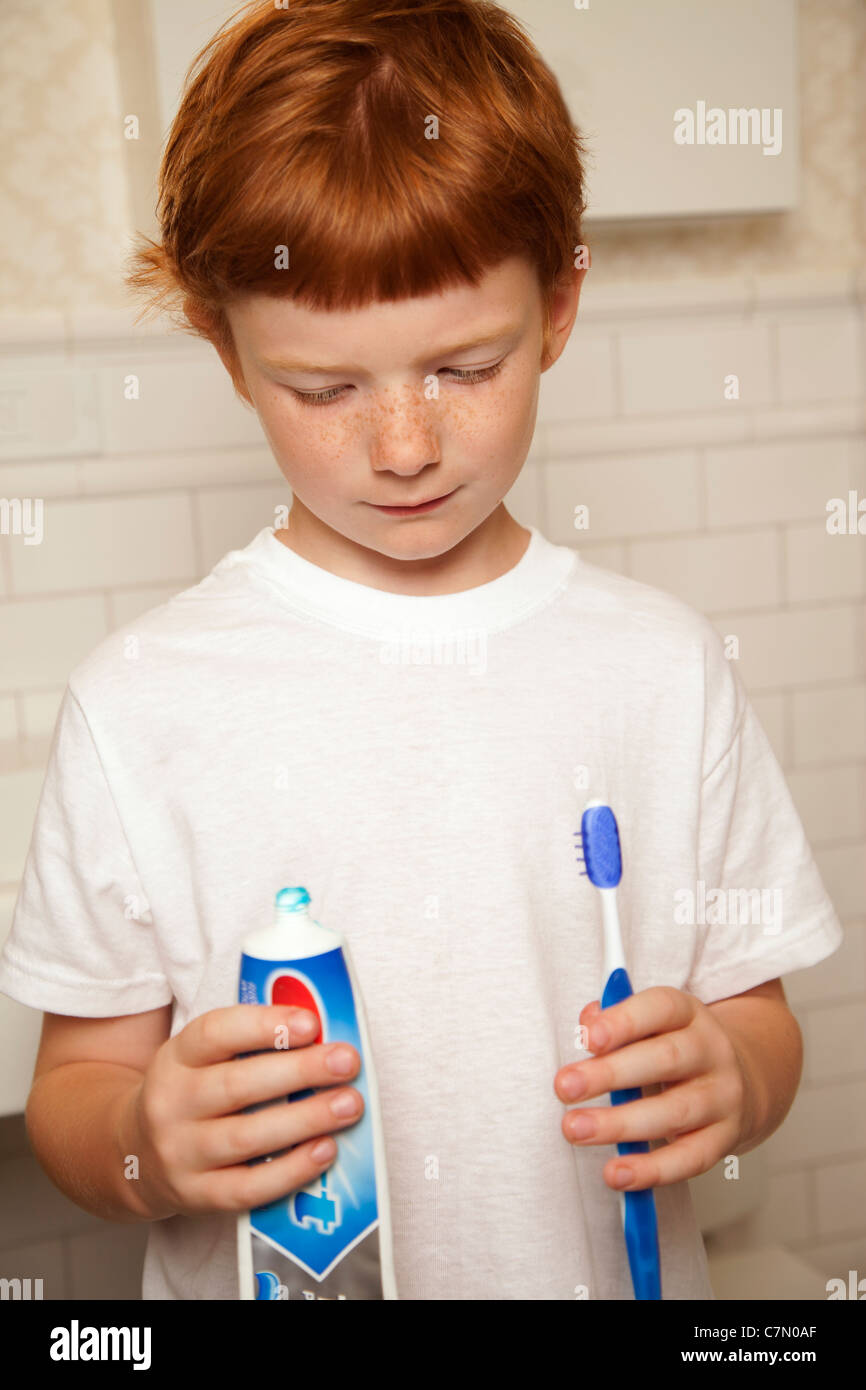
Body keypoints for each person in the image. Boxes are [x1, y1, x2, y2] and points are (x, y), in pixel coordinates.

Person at [0, 0, 841, 1300]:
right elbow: (78, 1090)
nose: (401, 445)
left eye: (463, 366)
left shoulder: (662, 671)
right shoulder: (140, 703)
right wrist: (140, 1143)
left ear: (558, 304)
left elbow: (756, 1020)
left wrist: (733, 1074)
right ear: (224, 351)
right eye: (325, 389)